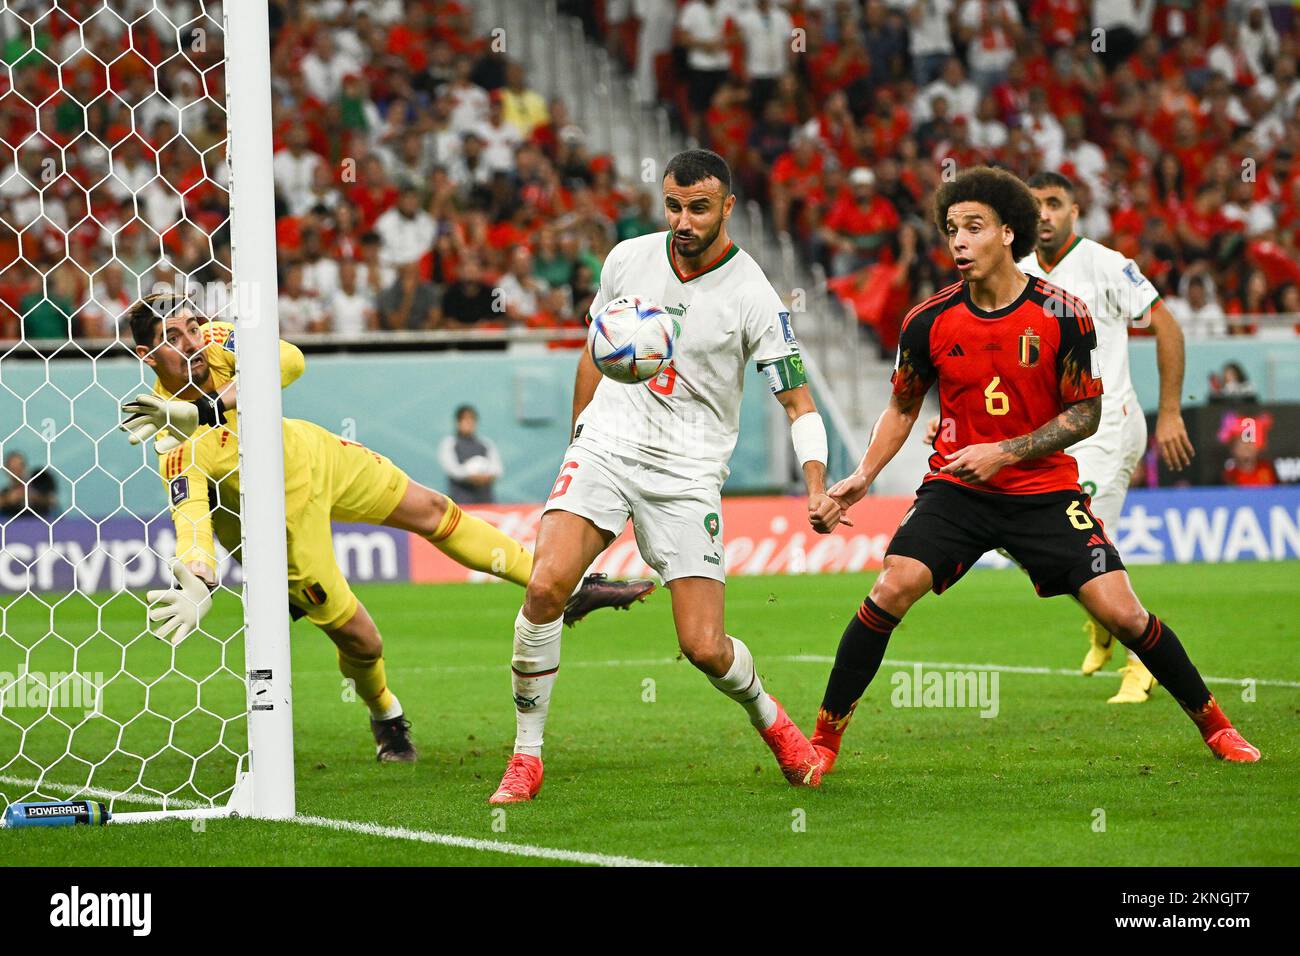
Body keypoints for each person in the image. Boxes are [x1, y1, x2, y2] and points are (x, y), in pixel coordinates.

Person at [809, 166, 1258, 774]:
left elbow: (1086, 414)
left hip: (1043, 491)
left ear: (1009, 233)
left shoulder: (1063, 313)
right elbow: (902, 406)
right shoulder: (927, 320)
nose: (958, 241)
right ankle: (824, 740)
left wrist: (1008, 451)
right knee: (892, 586)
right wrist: (863, 475)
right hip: (956, 489)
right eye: (950, 229)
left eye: (973, 227)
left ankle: (1217, 726)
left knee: (1123, 613)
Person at [120, 294, 653, 763]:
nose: (192, 340)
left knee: (435, 510)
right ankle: (385, 714)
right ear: (147, 356)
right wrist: (200, 579)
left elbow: (289, 361)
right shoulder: (174, 445)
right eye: (172, 337)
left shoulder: (215, 339)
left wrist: (213, 405)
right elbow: (190, 518)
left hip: (313, 454)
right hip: (283, 530)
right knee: (364, 641)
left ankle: (569, 590)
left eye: (192, 324)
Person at [488, 149, 841, 805]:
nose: (683, 220)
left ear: (727, 207)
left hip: (687, 468)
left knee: (704, 646)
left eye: (699, 207)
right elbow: (595, 350)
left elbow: (799, 402)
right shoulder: (627, 259)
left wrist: (817, 484)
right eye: (674, 206)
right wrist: (579, 437)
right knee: (545, 587)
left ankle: (776, 724)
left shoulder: (754, 296)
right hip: (609, 442)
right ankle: (526, 757)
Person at [1017, 171, 1193, 702]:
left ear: (1074, 210)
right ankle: (1101, 620)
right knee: (1035, 546)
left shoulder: (1107, 265)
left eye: (1054, 203)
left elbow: (1168, 327)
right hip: (1055, 434)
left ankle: (1142, 663)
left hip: (1109, 425)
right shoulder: (1017, 273)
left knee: (1091, 543)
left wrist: (1169, 414)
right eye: (1034, 205)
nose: (1044, 213)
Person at [437, 405, 502, 504]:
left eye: (472, 419)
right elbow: (452, 469)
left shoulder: (486, 444)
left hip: (485, 501)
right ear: (458, 422)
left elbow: (497, 469)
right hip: (461, 501)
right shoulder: (449, 443)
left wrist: (487, 476)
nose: (469, 422)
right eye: (465, 419)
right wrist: (470, 476)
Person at [0, 451, 58, 520]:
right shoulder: (6, 492)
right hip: (14, 526)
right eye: (13, 468)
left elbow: (53, 501)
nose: (16, 471)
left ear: (24, 467)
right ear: (6, 469)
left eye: (19, 466)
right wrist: (8, 499)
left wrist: (33, 497)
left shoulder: (38, 484)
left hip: (40, 523)